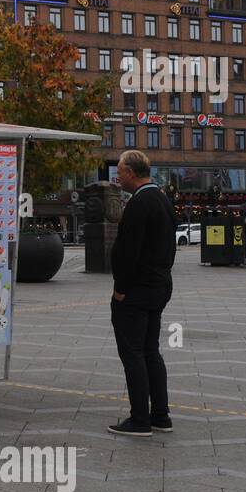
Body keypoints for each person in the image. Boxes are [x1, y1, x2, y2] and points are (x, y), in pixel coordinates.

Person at [108, 150, 177, 437]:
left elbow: (128, 251)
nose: (118, 176)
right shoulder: (162, 198)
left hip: (137, 290)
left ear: (132, 173)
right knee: (150, 351)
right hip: (159, 285)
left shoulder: (139, 203)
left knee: (133, 353)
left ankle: (139, 419)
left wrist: (121, 289)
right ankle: (160, 414)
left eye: (121, 171)